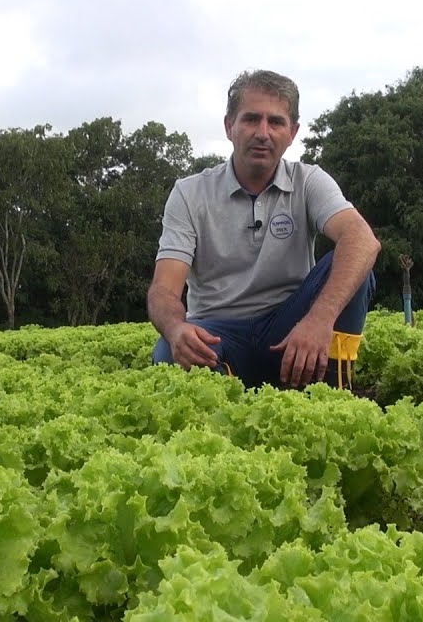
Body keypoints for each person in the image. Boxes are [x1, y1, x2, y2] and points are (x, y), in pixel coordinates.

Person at [147, 69, 381, 389]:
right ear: (230, 126)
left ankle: (327, 394)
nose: (263, 132)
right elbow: (164, 289)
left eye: (276, 122)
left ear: (293, 132)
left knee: (355, 265)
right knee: (169, 354)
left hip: (289, 331)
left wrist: (318, 320)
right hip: (219, 334)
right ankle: (221, 415)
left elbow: (362, 239)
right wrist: (175, 329)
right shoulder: (189, 193)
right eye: (251, 119)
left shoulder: (308, 180)